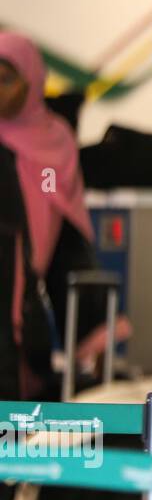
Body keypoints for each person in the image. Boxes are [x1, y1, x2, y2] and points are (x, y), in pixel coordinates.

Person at [0, 32, 106, 402]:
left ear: (32, 83)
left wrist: (94, 334)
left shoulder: (55, 140)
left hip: (22, 317)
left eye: (6, 78)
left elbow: (67, 239)